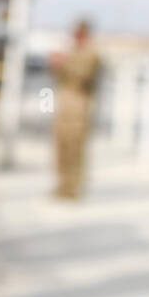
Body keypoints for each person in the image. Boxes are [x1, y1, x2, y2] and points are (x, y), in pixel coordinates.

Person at [49, 20, 101, 200]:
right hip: (65, 106)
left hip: (79, 107)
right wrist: (56, 65)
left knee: (75, 148)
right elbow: (59, 78)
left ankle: (74, 187)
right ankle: (62, 185)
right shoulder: (71, 52)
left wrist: (65, 63)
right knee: (62, 147)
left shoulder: (91, 54)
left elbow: (83, 77)